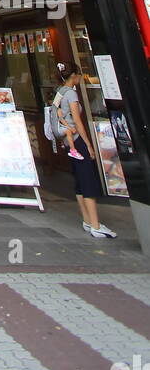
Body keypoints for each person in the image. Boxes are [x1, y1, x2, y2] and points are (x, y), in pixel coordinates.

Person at [55, 62, 116, 240]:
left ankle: (87, 220)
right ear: (74, 75)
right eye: (79, 75)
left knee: (80, 180)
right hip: (77, 140)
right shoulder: (71, 94)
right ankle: (95, 225)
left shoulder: (59, 92)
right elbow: (78, 122)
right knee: (87, 178)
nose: (80, 78)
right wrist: (89, 144)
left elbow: (57, 115)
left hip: (67, 141)